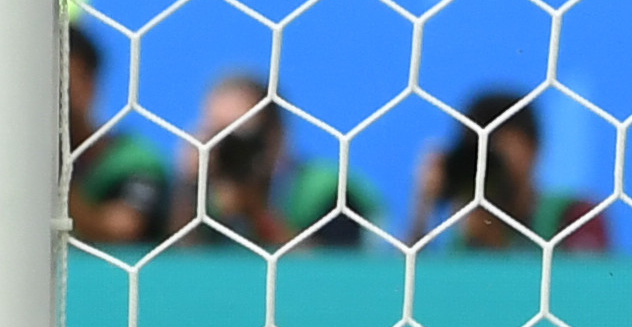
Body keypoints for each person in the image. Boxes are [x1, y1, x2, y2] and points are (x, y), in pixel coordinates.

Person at [170, 71, 384, 250]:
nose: (228, 146)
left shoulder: (326, 191)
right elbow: (179, 262)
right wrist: (188, 188)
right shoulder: (206, 194)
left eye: (240, 134)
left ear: (276, 133)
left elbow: (335, 273)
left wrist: (256, 214)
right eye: (217, 133)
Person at [410, 89, 609, 251]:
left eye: (495, 149)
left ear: (533, 148)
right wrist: (422, 208)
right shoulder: (461, 232)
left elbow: (587, 292)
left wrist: (498, 243)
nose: (486, 163)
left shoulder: (573, 215)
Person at [68, 25, 170, 249]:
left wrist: (53, 188)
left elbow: (123, 228)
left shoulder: (134, 161)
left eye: (63, 85)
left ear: (90, 83)